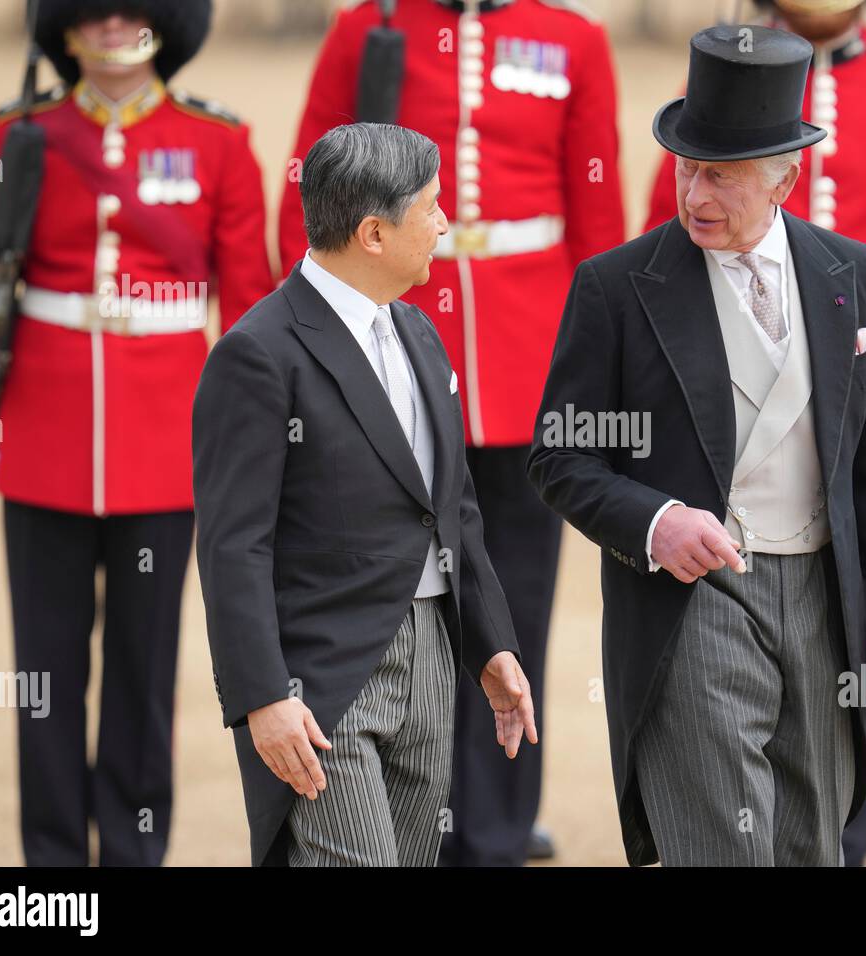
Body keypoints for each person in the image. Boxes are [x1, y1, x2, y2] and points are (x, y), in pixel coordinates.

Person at [529, 25, 866, 867]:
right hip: (693, 603)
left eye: (721, 174)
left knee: (811, 847)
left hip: (826, 601)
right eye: (687, 167)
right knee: (719, 849)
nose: (695, 194)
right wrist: (655, 523)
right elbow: (560, 457)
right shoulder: (614, 286)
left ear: (787, 176)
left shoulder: (850, 273)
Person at [277, 0, 625, 866]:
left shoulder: (573, 37)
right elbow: (310, 187)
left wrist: (602, 363)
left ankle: (497, 830)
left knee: (516, 608)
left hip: (525, 349)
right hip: (394, 335)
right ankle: (401, 818)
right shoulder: (366, 29)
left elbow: (595, 210)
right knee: (396, 605)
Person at [645, 0, 866, 864]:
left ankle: (851, 794)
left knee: (857, 598)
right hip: (742, 391)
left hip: (859, 381)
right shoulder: (715, 93)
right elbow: (666, 257)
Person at [0, 0, 273, 865]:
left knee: (142, 671)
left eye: (135, 9)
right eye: (90, 10)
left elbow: (248, 316)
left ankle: (134, 855)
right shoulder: (16, 135)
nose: (113, 24)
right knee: (46, 677)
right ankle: (53, 869)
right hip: (43, 437)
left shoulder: (219, 143)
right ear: (63, 27)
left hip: (166, 447)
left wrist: (252, 442)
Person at [193, 122, 537, 867]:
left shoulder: (417, 331)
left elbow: (454, 511)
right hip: (321, 680)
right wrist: (262, 697)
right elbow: (232, 544)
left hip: (432, 663)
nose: (446, 223)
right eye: (432, 206)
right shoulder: (256, 354)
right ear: (375, 233)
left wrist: (493, 642)